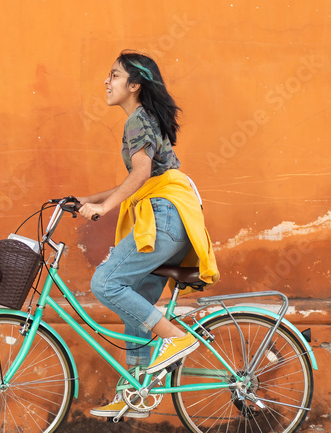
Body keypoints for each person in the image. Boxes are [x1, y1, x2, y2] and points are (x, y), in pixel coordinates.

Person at [77, 51, 219, 419]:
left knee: (106, 283)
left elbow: (139, 175)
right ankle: (135, 394)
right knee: (135, 306)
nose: (106, 82)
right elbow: (145, 178)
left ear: (134, 85)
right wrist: (87, 199)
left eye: (114, 75)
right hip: (171, 216)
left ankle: (176, 338)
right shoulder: (144, 118)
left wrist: (102, 210)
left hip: (164, 218)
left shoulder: (137, 120)